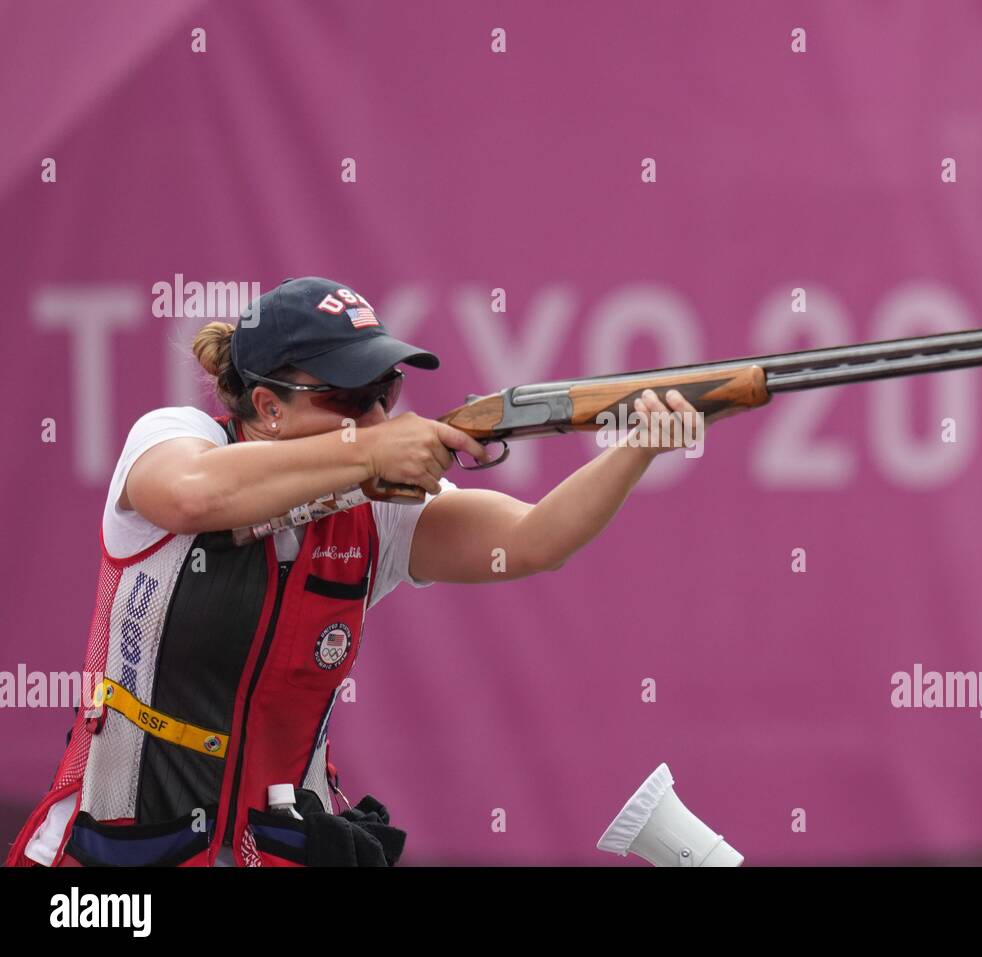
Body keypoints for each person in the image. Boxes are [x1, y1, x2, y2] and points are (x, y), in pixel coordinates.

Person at [6, 276, 713, 867]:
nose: (377, 417)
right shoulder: (171, 439)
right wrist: (370, 454)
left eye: (386, 391)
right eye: (348, 397)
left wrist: (637, 448)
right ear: (267, 406)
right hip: (110, 856)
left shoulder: (381, 507)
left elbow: (534, 540)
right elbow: (196, 495)